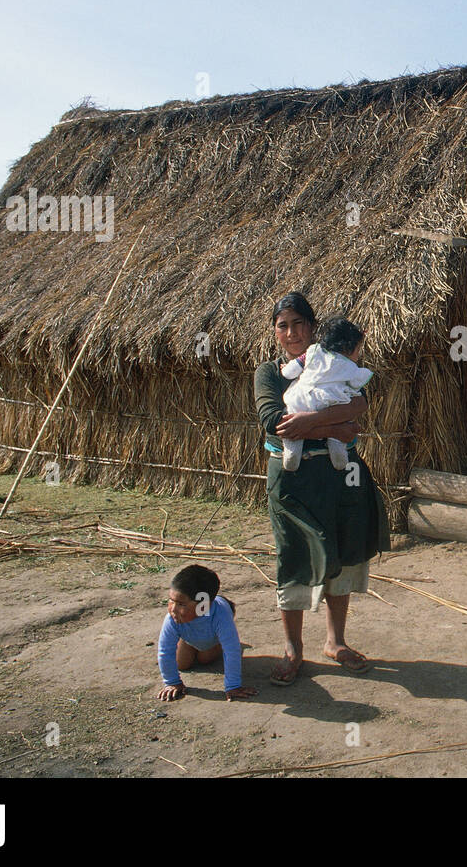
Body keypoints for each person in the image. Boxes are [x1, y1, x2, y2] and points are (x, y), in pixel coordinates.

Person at [254, 292, 390, 686]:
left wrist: (318, 423)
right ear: (275, 332)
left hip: (340, 475)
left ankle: (335, 642)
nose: (292, 332)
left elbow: (358, 403)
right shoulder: (269, 373)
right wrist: (334, 428)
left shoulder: (335, 362)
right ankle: (294, 649)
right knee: (293, 555)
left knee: (344, 550)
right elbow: (276, 423)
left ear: (313, 328)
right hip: (292, 479)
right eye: (283, 325)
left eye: (299, 324)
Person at [280, 316, 372, 471]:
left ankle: (292, 449)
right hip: (332, 401)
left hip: (304, 398)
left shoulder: (313, 351)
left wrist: (285, 369)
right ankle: (337, 447)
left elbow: (290, 372)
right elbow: (358, 386)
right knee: (340, 418)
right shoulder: (350, 366)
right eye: (358, 349)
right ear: (349, 348)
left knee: (291, 411)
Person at [156, 564, 256, 702]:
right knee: (182, 664)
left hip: (212, 634)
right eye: (171, 601)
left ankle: (220, 640)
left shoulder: (221, 616)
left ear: (203, 605)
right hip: (191, 635)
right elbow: (165, 650)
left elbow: (231, 651)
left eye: (181, 604)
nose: (173, 609)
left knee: (205, 659)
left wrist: (233, 686)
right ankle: (195, 640)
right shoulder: (172, 617)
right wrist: (171, 682)